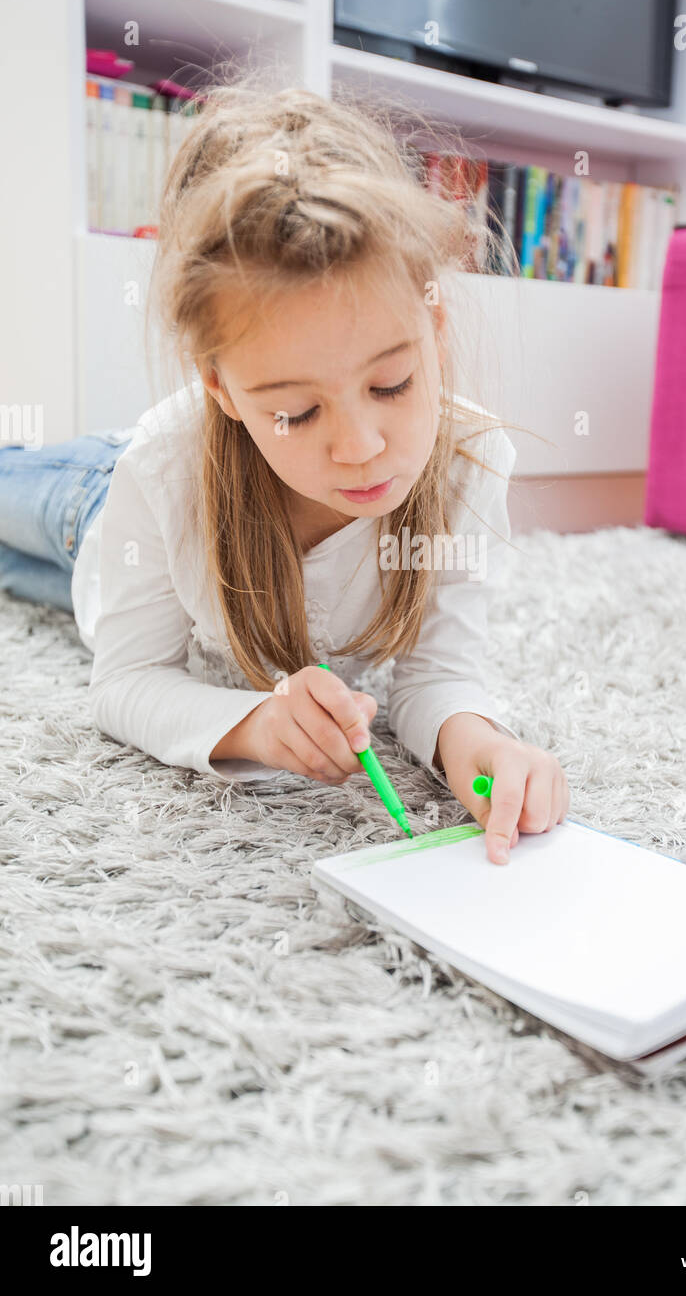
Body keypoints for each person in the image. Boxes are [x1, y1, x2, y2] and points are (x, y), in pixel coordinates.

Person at [0, 76, 569, 864]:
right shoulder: (161, 468)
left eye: (392, 384)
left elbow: (439, 674)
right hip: (96, 504)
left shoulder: (470, 462)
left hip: (129, 560)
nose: (362, 445)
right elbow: (126, 682)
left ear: (434, 324)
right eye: (297, 412)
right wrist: (257, 724)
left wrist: (478, 742)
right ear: (219, 387)